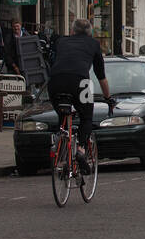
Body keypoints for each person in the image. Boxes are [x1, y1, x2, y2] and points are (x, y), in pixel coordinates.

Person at [47, 18, 114, 165]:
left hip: (55, 81)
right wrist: (108, 98)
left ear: (72, 31)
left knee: (62, 112)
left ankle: (61, 137)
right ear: (90, 33)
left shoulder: (61, 42)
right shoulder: (94, 44)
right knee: (86, 117)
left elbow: (54, 61)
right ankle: (81, 149)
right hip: (81, 82)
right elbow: (101, 76)